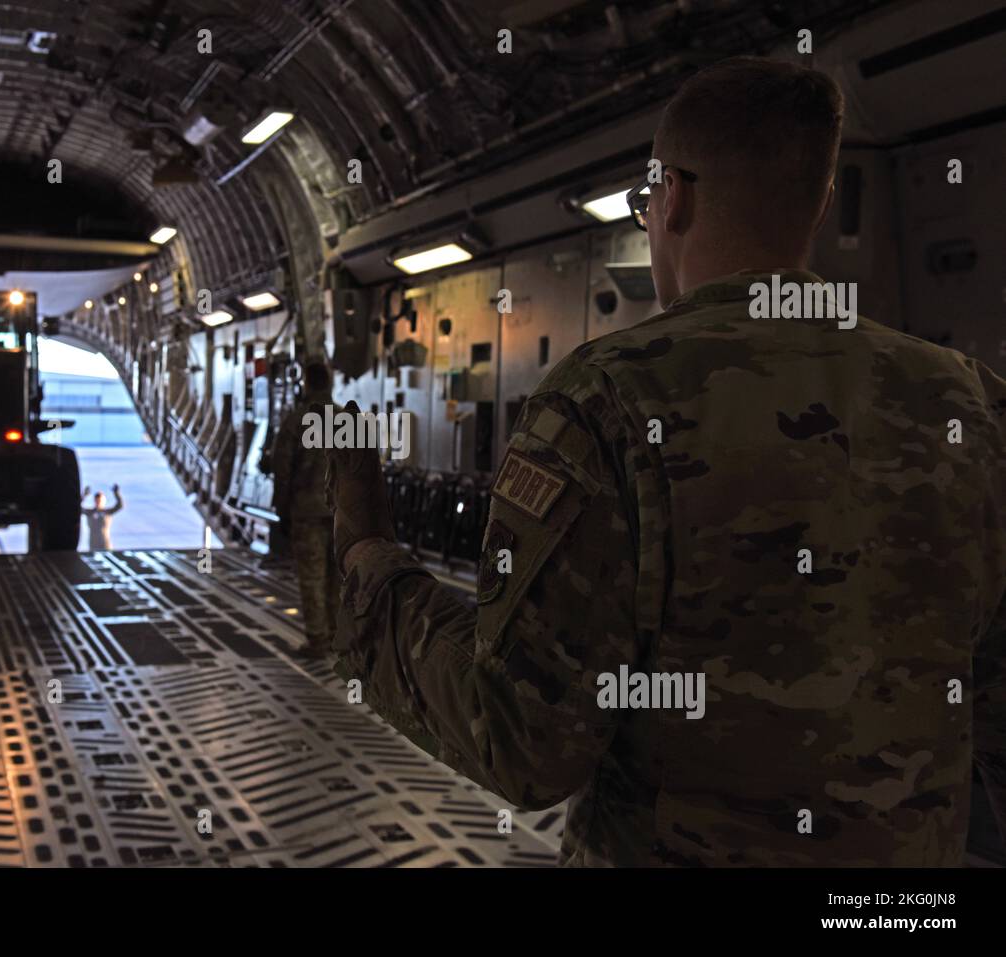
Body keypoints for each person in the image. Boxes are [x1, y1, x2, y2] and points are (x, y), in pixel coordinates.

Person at [326, 56, 1005, 866]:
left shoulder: (607, 398)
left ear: (670, 198)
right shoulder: (970, 402)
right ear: (820, 205)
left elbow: (521, 737)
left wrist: (373, 564)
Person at [272, 362, 339, 657]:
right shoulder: (348, 420)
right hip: (342, 515)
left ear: (307, 385)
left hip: (307, 512)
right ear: (331, 384)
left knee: (312, 577)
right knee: (338, 578)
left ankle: (318, 639)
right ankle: (340, 640)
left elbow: (282, 468)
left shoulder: (297, 420)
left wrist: (282, 510)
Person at [81, 484, 124, 551]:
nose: (98, 502)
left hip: (105, 543)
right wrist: (84, 495)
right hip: (93, 544)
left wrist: (116, 493)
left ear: (104, 501)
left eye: (100, 500)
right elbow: (76, 507)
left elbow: (120, 506)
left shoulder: (107, 512)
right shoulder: (90, 512)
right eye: (97, 500)